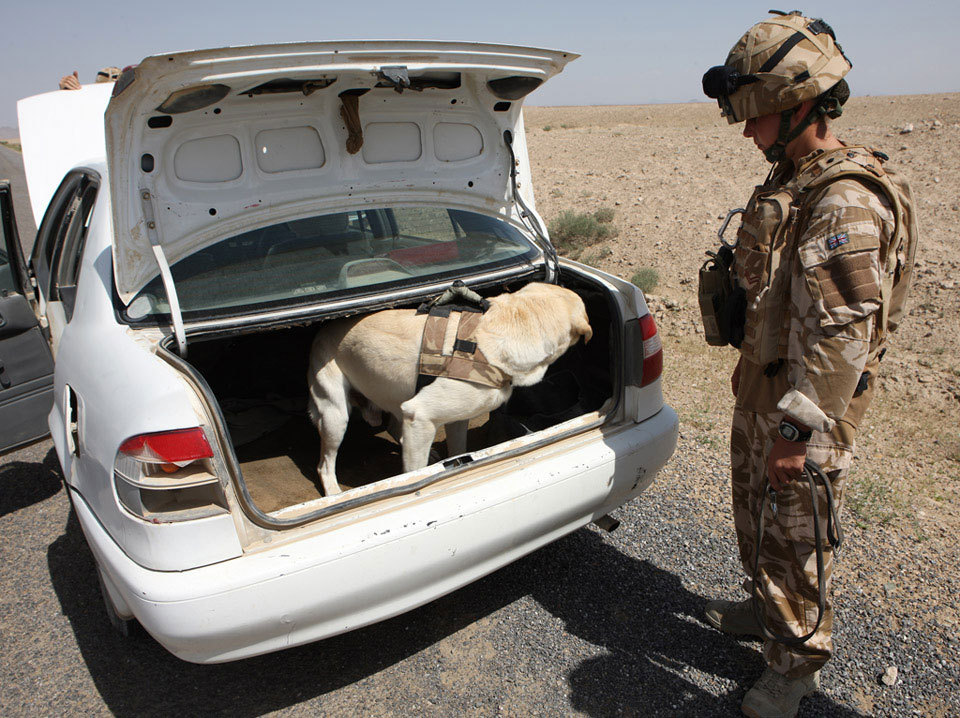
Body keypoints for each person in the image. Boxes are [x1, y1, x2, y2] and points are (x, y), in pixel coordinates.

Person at [699, 11, 918, 718]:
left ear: (797, 106)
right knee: (759, 523)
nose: (747, 131)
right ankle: (768, 615)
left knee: (797, 541)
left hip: (805, 414)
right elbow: (780, 298)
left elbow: (843, 337)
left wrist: (797, 434)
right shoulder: (795, 180)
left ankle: (794, 668)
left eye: (756, 115)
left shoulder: (844, 200)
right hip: (769, 391)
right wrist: (749, 361)